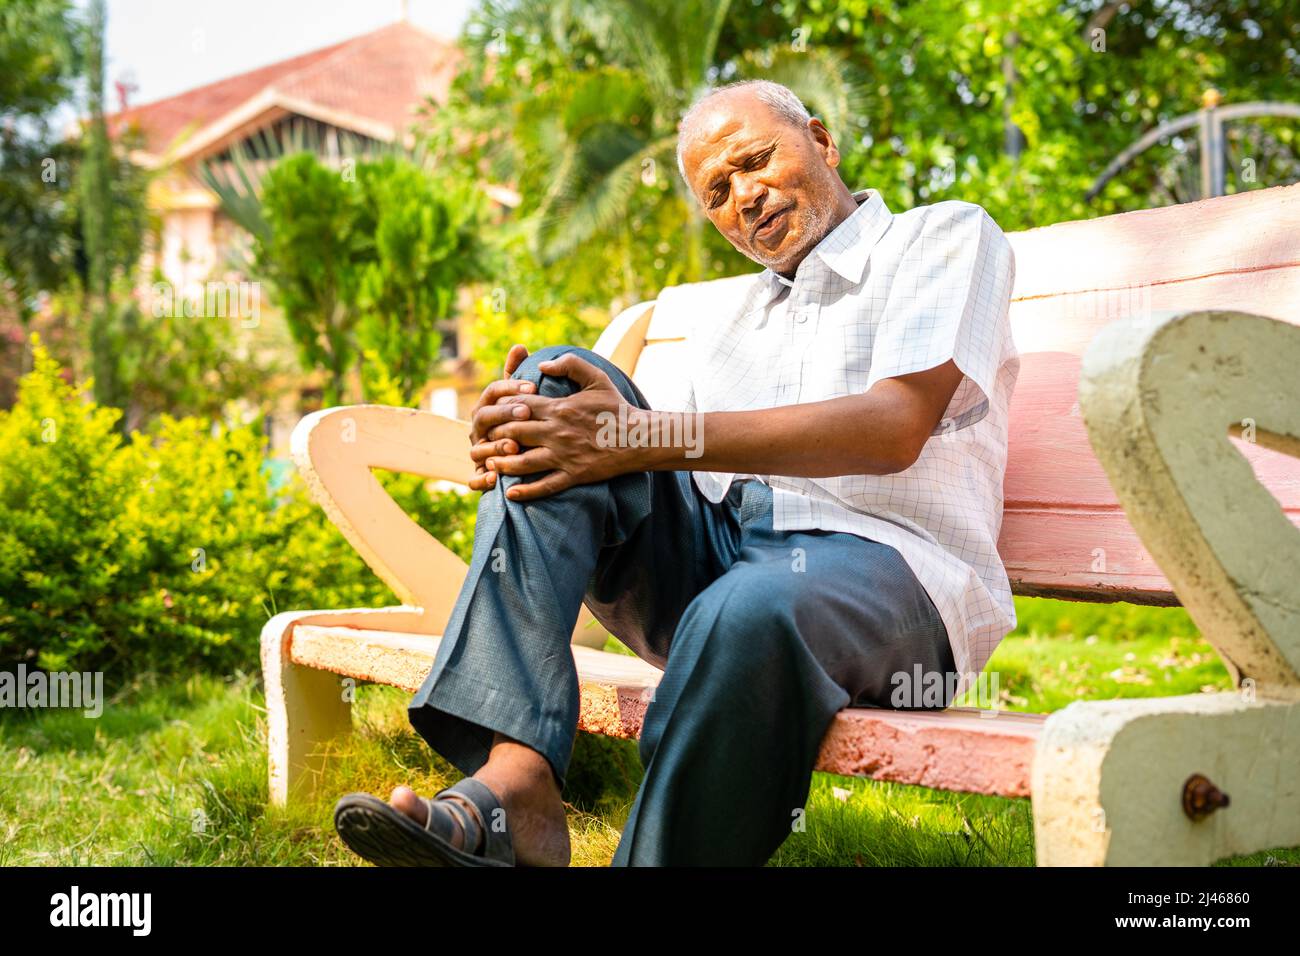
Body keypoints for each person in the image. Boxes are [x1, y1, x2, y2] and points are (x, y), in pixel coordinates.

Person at [333, 78, 1019, 868]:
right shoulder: (724, 317)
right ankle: (517, 781)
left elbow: (893, 427)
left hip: (892, 579)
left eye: (755, 161)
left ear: (822, 141)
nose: (745, 197)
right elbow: (627, 454)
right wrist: (525, 427)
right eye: (718, 193)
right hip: (727, 558)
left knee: (749, 608)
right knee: (557, 383)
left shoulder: (942, 238)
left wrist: (638, 437)